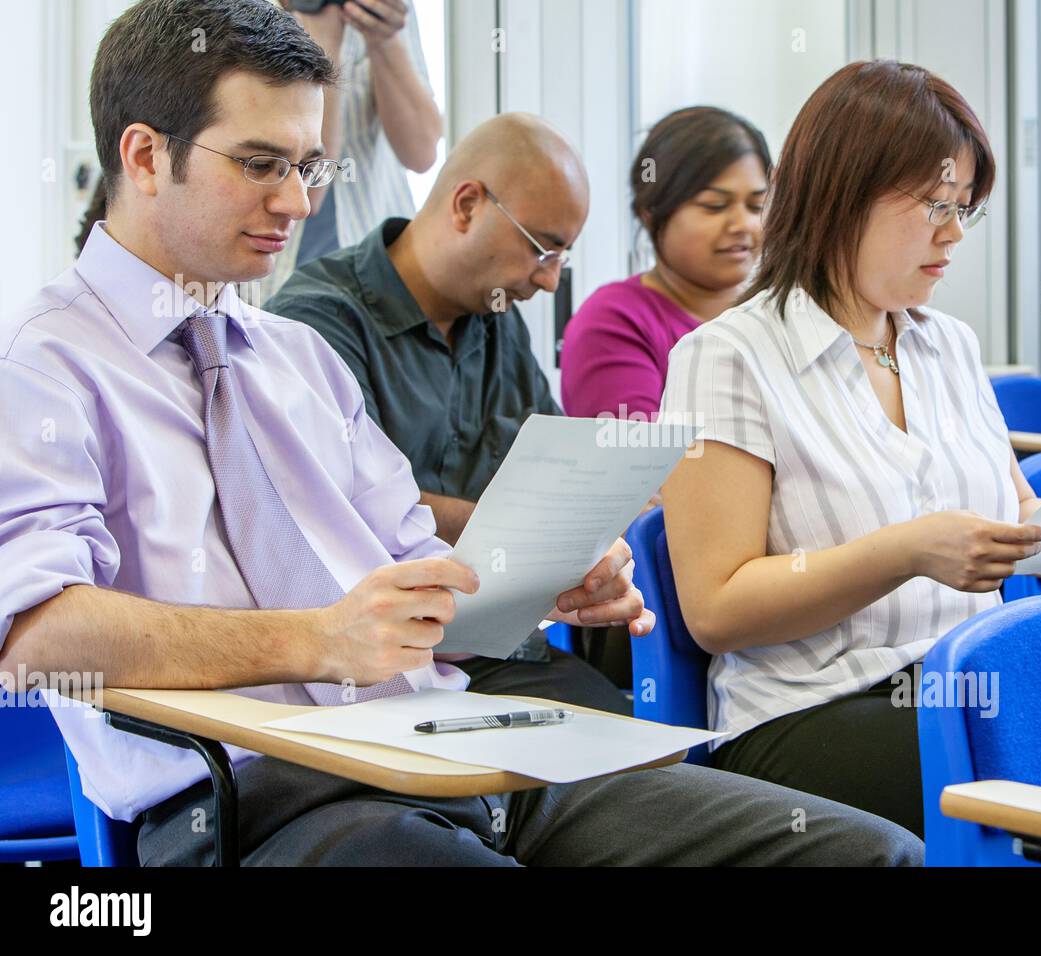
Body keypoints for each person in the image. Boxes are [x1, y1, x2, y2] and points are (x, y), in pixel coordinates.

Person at [0, 0, 922, 867]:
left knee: (867, 854)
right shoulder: (45, 366)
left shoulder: (296, 359)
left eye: (309, 167)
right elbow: (37, 637)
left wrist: (536, 583)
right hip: (263, 801)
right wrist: (315, 640)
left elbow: (417, 572)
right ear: (145, 156)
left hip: (454, 746)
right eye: (260, 164)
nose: (299, 204)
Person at [659, 60, 1041, 840]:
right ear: (842, 195)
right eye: (934, 206)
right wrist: (905, 552)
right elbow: (716, 610)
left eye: (963, 209)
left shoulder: (947, 344)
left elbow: (1019, 514)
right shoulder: (728, 357)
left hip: (968, 680)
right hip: (814, 710)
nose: (953, 234)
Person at [267, 112, 624, 711]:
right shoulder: (317, 324)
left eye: (564, 256)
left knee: (614, 731)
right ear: (467, 205)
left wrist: (602, 527)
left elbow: (561, 474)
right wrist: (522, 529)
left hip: (498, 645)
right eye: (544, 248)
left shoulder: (497, 322)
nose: (550, 280)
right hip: (374, 661)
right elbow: (344, 505)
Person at [561, 107, 770, 420]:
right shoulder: (615, 321)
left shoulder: (783, 311)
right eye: (714, 206)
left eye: (756, 205)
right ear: (652, 212)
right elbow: (636, 448)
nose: (744, 224)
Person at [265, 0, 443, 292]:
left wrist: (384, 40)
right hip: (276, 275)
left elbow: (421, 153)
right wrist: (323, 44)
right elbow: (310, 187)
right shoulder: (242, 14)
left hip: (377, 258)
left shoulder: (381, 7)